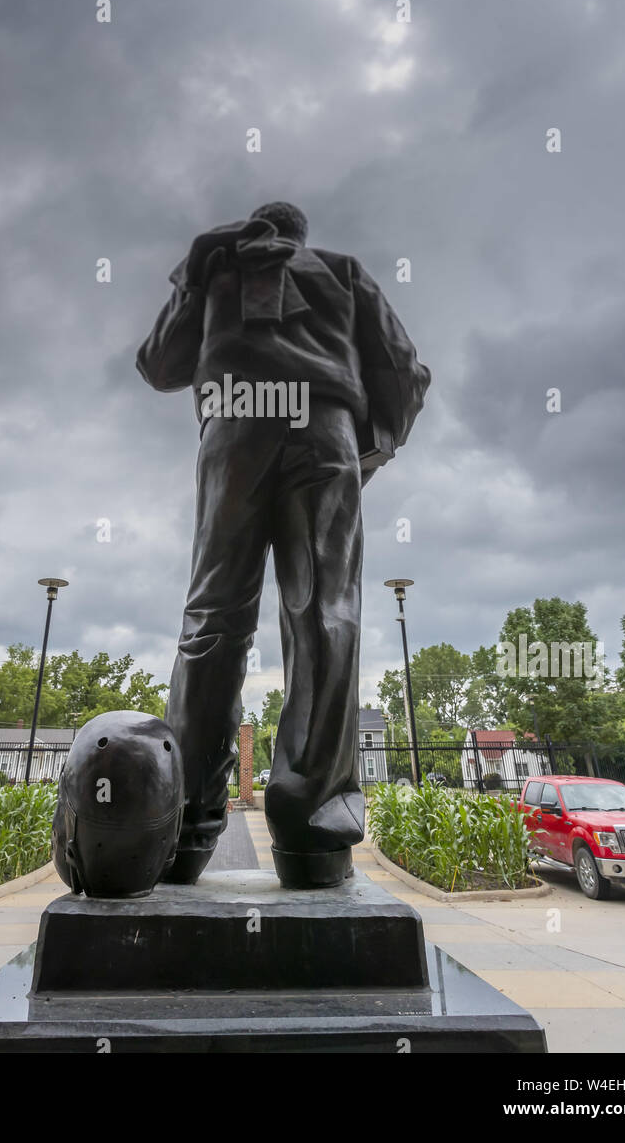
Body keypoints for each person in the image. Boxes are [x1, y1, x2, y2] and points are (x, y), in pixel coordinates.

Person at [136, 201, 430, 888]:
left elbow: (158, 365)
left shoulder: (215, 272)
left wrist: (194, 277)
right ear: (303, 236)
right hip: (323, 427)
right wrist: (369, 450)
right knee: (326, 615)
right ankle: (315, 834)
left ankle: (183, 827)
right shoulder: (343, 273)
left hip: (234, 424)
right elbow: (406, 373)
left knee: (213, 617)